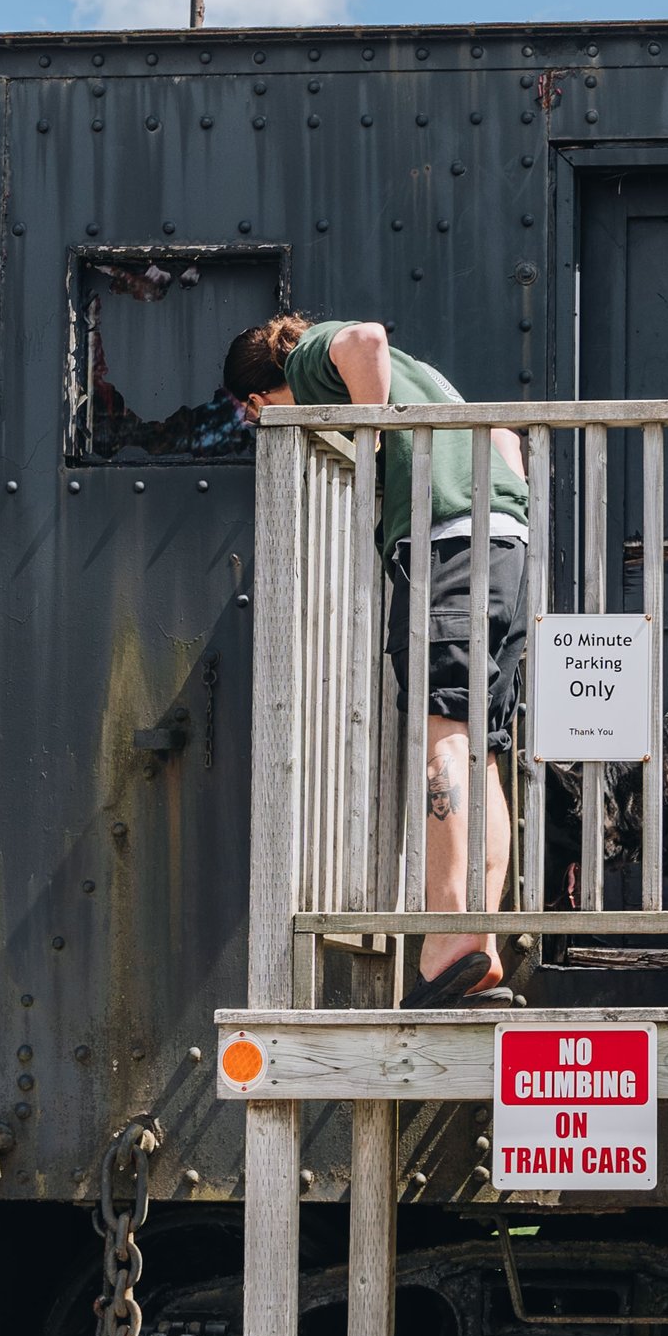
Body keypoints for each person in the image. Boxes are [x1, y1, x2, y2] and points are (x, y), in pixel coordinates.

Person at [224, 312, 530, 1009]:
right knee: (481, 747)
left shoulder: (304, 358)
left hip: (446, 548)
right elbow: (507, 443)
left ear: (259, 396)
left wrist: (379, 449)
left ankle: (449, 937)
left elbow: (365, 338)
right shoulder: (432, 380)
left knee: (443, 736)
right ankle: (477, 947)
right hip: (506, 544)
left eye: (256, 414)